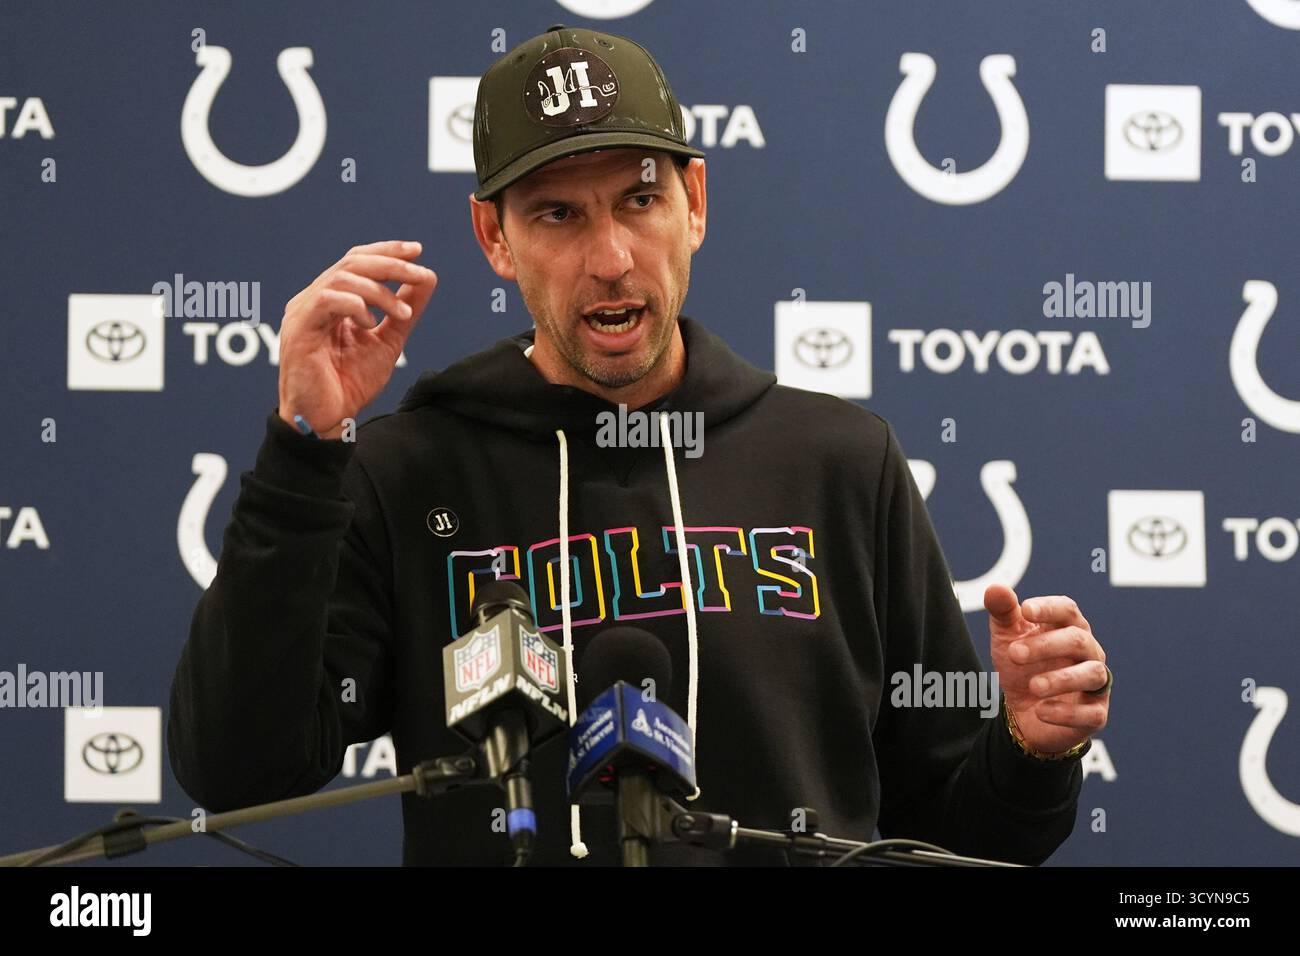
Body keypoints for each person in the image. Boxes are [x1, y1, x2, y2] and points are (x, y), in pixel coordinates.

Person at [167, 24, 1112, 866]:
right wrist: (304, 449)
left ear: (693, 203)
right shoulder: (405, 472)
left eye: (639, 200)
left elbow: (955, 842)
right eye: (557, 214)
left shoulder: (840, 461)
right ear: (493, 237)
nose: (612, 256)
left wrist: (1029, 752)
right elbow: (238, 768)